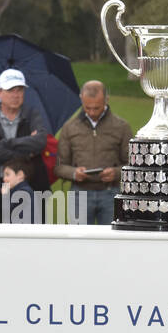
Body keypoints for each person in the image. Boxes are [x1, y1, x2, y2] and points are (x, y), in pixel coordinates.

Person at [54, 80, 132, 225]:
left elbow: (132, 166)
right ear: (81, 99)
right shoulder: (69, 128)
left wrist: (115, 172)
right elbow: (59, 166)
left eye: (97, 108)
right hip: (79, 194)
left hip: (111, 194)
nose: (91, 112)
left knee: (111, 242)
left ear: (106, 100)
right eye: (87, 107)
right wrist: (74, 173)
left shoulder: (122, 127)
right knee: (79, 243)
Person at [0, 69, 51, 208]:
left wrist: (7, 143)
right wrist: (26, 152)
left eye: (20, 90)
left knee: (33, 228)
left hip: (32, 185)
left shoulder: (32, 114)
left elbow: (40, 142)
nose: (16, 95)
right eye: (11, 90)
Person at [0, 158, 41, 224]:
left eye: (7, 174)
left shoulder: (23, 192)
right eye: (4, 176)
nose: (4, 179)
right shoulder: (22, 190)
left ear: (20, 175)